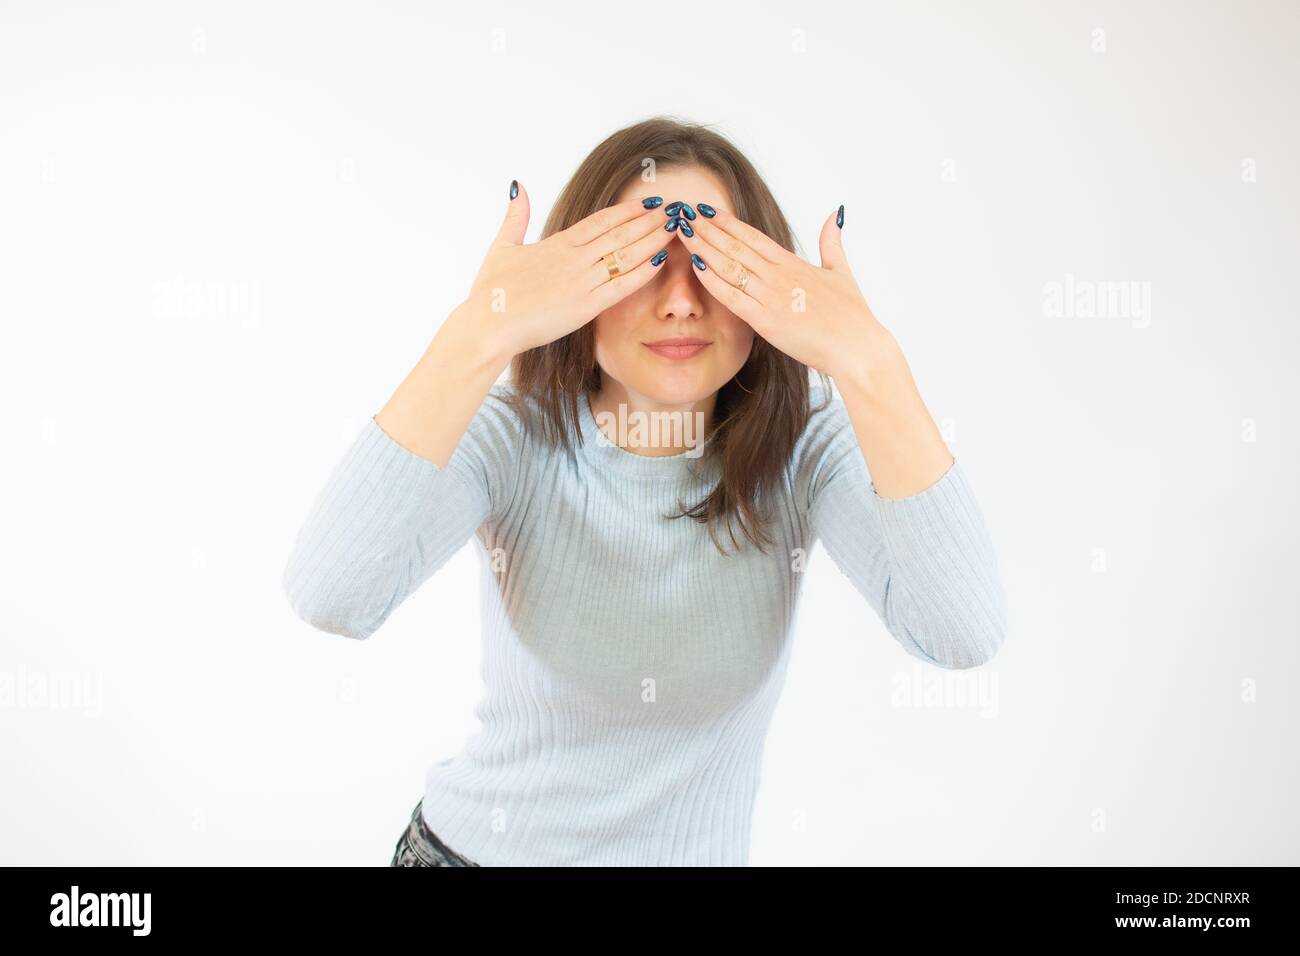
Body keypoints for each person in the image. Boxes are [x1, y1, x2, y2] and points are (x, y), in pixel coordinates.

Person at [282, 117, 1009, 867]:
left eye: (712, 265)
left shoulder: (804, 447)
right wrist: (479, 332)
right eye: (642, 262)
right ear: (577, 285)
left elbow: (961, 632)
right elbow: (333, 595)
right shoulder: (511, 436)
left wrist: (870, 362)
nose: (680, 303)